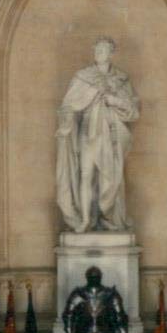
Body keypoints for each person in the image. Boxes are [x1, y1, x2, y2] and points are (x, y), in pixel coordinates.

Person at [55, 36, 140, 232]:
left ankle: (106, 216)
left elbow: (134, 110)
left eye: (103, 49)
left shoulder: (121, 79)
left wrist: (115, 100)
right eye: (96, 49)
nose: (98, 52)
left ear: (111, 53)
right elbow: (67, 106)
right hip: (88, 132)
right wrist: (67, 123)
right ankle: (85, 220)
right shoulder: (83, 76)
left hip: (111, 135)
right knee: (86, 174)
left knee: (109, 178)